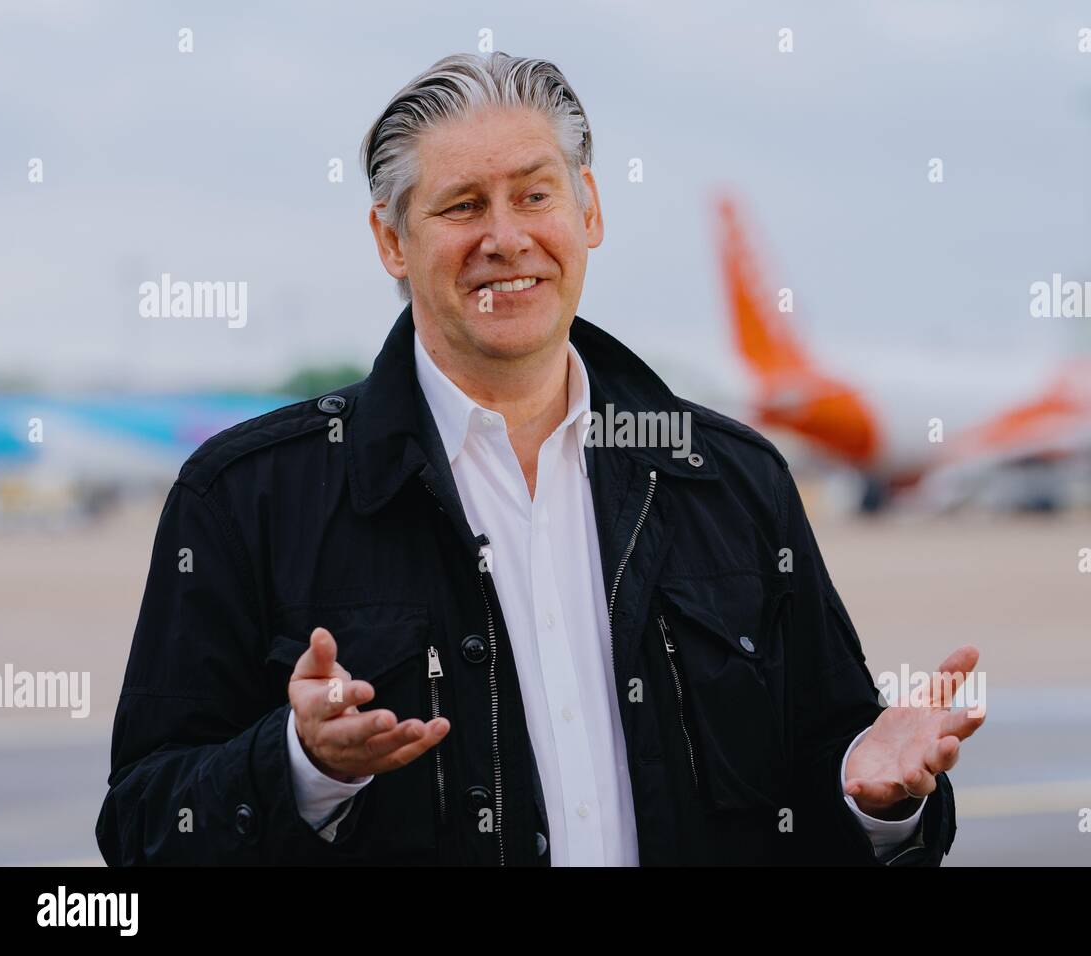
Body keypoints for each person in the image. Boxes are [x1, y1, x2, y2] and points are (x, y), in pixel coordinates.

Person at [96, 51, 984, 866]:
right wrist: (302, 765)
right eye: (461, 206)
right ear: (390, 241)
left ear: (588, 209)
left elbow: (824, 784)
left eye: (534, 195)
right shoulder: (244, 497)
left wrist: (872, 804)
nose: (506, 239)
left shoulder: (732, 479)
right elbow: (141, 830)